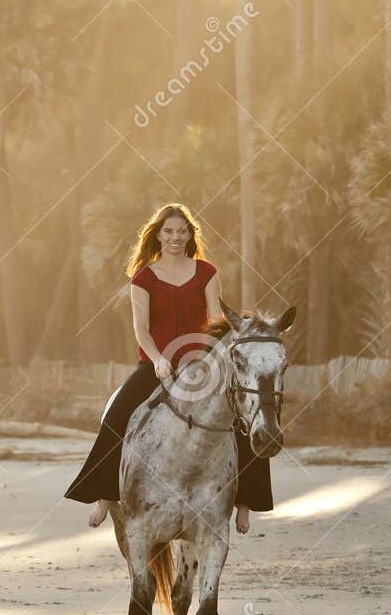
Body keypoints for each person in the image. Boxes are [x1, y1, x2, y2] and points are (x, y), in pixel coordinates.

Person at [64, 202, 272, 533]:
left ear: (190, 235)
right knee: (118, 416)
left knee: (244, 417)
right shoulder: (143, 278)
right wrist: (159, 358)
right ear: (158, 236)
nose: (175, 237)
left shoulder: (206, 272)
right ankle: (104, 494)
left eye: (181, 231)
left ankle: (245, 503)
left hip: (201, 364)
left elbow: (216, 320)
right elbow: (141, 329)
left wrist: (212, 360)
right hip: (156, 364)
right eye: (169, 232)